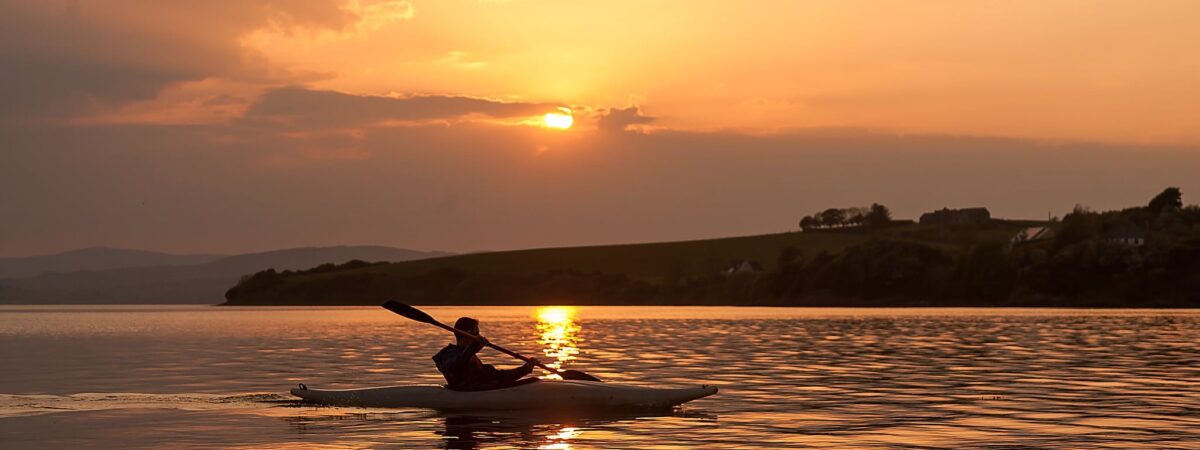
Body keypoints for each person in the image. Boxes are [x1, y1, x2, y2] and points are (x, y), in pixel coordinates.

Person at [433, 317, 541, 391]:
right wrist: (474, 346)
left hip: (483, 389)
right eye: (476, 332)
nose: (479, 335)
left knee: (534, 381)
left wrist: (525, 369)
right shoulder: (448, 354)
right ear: (468, 333)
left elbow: (498, 376)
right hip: (466, 392)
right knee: (533, 381)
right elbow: (455, 366)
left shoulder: (469, 354)